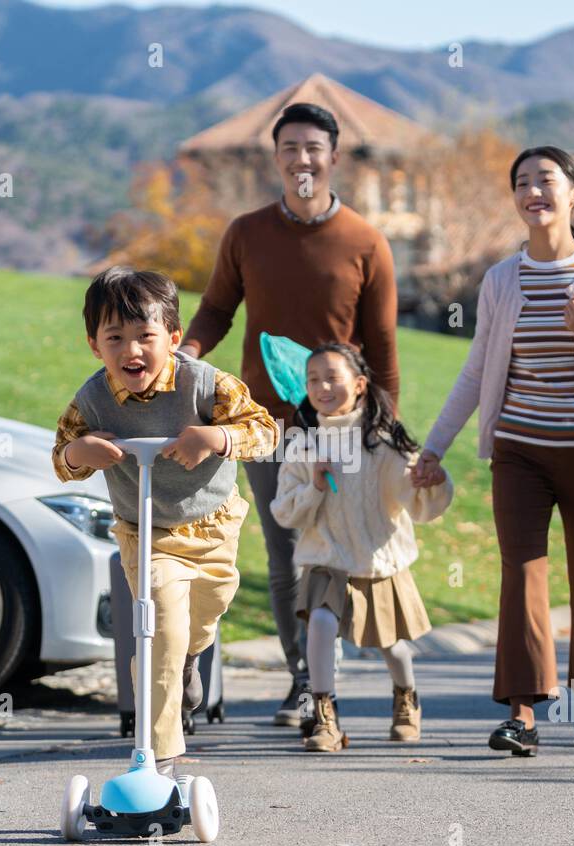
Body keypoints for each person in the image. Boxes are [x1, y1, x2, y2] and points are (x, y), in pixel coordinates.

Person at [411, 146, 574, 757]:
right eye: (521, 182)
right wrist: (434, 447)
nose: (532, 192)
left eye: (545, 180)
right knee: (521, 575)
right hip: (519, 452)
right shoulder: (501, 280)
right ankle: (521, 716)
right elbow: (476, 372)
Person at [179, 101, 400, 727]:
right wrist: (186, 353)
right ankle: (304, 680)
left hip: (339, 426)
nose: (302, 159)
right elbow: (217, 310)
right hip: (265, 424)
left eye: (313, 148)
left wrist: (385, 430)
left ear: (334, 157)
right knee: (284, 554)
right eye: (290, 148)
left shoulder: (366, 241)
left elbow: (383, 347)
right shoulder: (246, 233)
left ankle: (327, 675)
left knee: (332, 551)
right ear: (275, 158)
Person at [51, 266, 278, 775]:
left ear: (173, 338)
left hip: (212, 524)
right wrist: (80, 452)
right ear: (94, 345)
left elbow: (264, 432)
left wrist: (215, 438)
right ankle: (159, 758)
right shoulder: (90, 401)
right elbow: (61, 457)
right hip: (145, 532)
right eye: (115, 338)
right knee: (157, 631)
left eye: (145, 336)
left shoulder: (207, 385)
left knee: (203, 617)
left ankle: (191, 660)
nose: (131, 350)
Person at [271, 343, 452, 751]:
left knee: (392, 646)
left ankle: (406, 697)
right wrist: (315, 486)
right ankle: (325, 719)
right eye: (313, 380)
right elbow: (284, 511)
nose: (322, 387)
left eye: (332, 377)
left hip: (376, 560)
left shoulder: (384, 443)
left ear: (359, 385)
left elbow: (418, 503)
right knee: (320, 624)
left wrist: (434, 482)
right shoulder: (304, 446)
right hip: (326, 559)